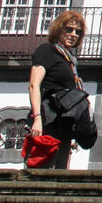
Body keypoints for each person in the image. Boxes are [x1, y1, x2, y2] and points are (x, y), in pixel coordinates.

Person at [27, 10, 89, 170]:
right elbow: (34, 85)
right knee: (41, 171)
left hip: (64, 125)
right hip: (48, 121)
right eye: (69, 29)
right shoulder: (47, 51)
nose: (73, 34)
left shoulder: (70, 60)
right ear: (59, 29)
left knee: (59, 174)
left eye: (78, 32)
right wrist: (37, 119)